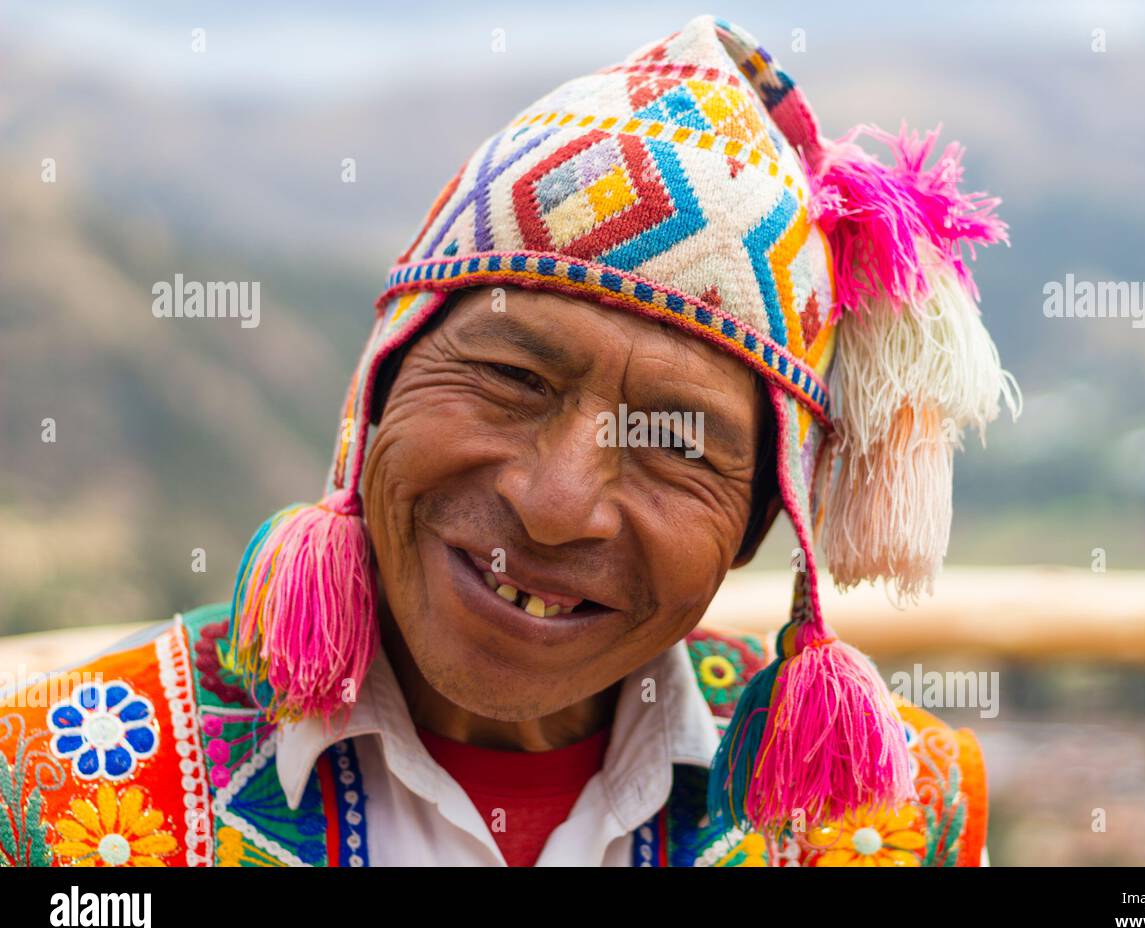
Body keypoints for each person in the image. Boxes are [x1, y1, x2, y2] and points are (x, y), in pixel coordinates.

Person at [0, 14, 1017, 867]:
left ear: (759, 522)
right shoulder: (65, 797)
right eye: (512, 378)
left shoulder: (882, 823)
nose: (554, 500)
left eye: (674, 443)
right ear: (377, 389)